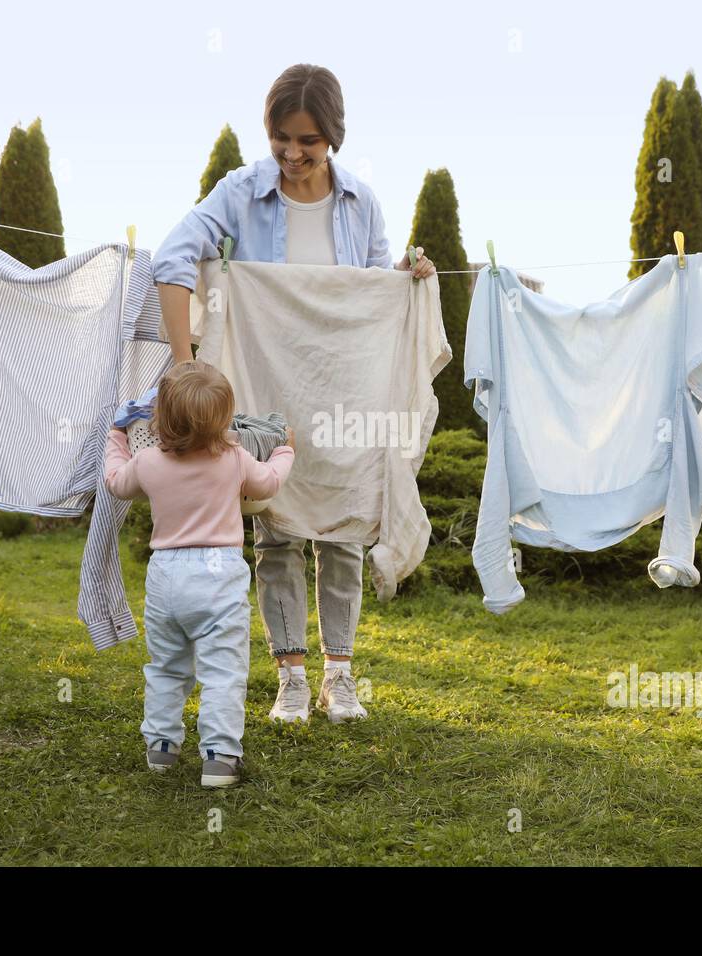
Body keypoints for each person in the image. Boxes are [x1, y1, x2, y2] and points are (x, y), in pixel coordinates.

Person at [153, 63, 436, 725]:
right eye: (281, 137)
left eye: (307, 140)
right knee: (275, 531)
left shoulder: (362, 203)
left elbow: (370, 297)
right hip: (266, 385)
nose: (291, 153)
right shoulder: (241, 192)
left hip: (342, 391)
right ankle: (292, 679)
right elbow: (171, 256)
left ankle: (341, 676)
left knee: (343, 530)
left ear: (332, 135)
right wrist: (182, 364)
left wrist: (403, 279)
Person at [104, 361, 295, 787]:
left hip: (166, 574)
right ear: (224, 420)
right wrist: (285, 451)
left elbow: (116, 481)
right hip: (217, 573)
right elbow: (267, 485)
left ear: (161, 417)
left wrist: (116, 437)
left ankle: (161, 749)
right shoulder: (234, 458)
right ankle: (220, 758)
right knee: (223, 671)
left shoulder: (149, 460)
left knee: (167, 666)